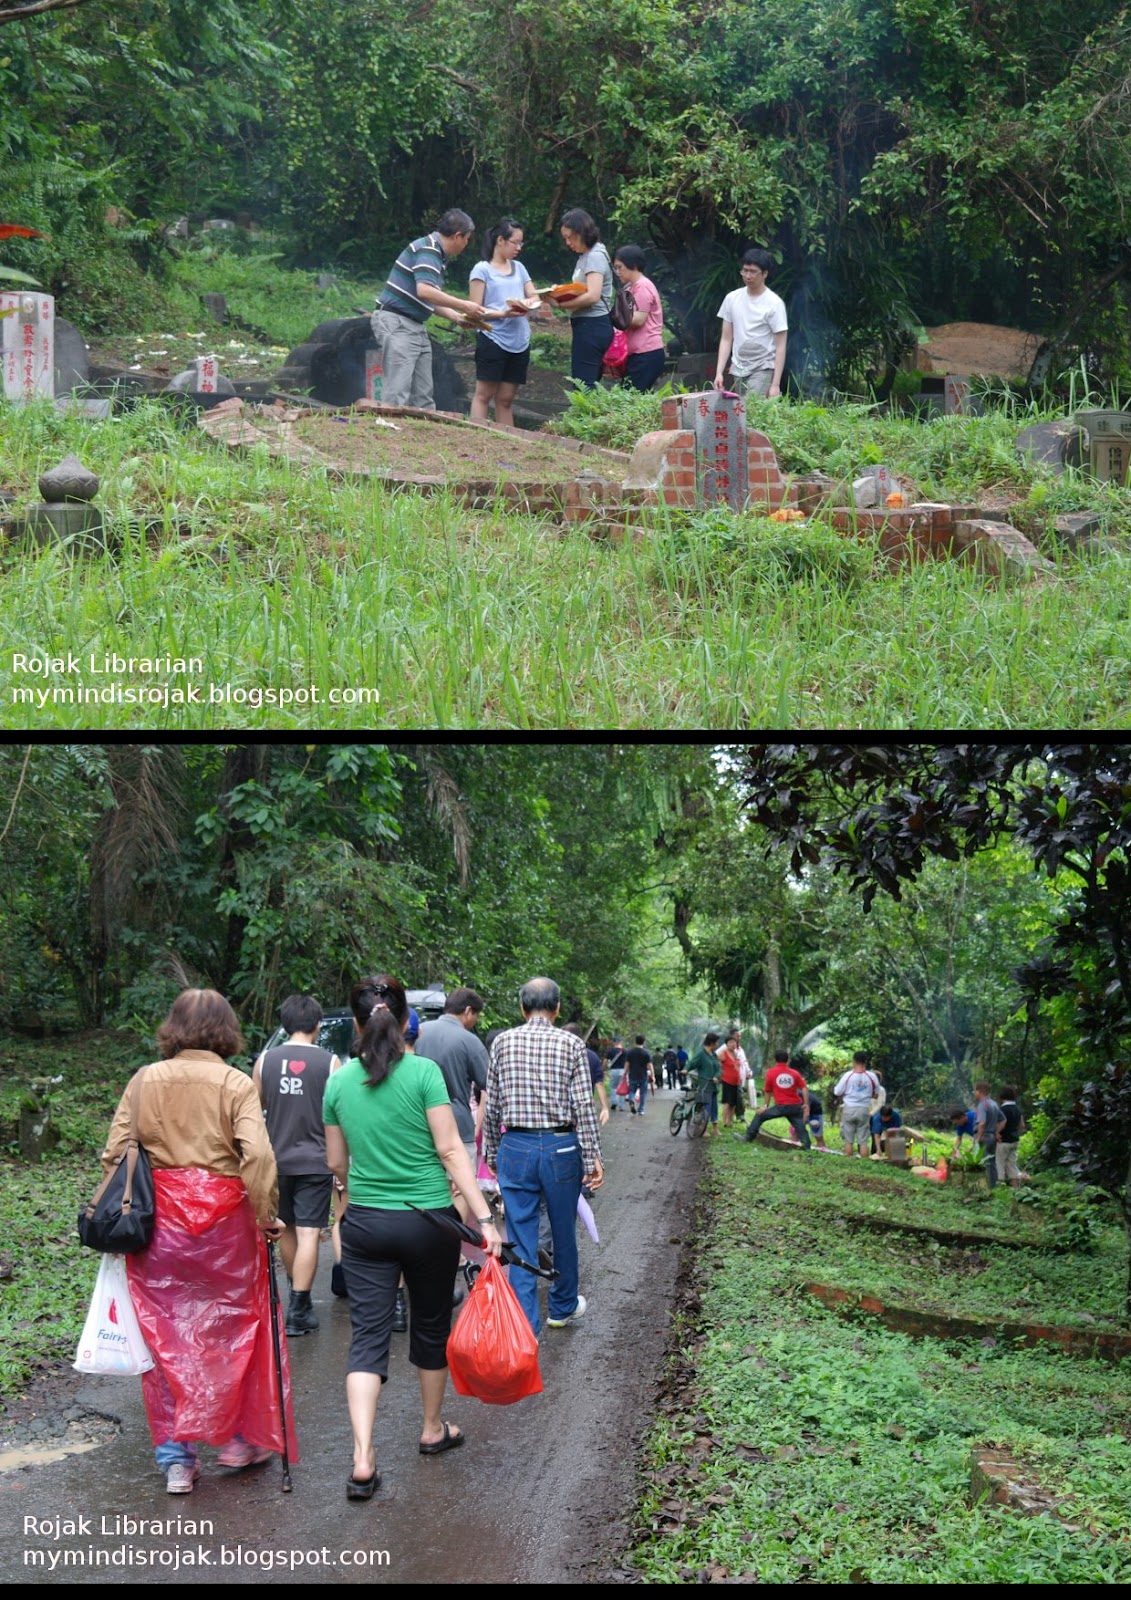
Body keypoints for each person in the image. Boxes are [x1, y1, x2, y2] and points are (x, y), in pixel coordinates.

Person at [97, 988, 289, 1495]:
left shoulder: (144, 1080)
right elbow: (257, 1156)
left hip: (159, 1228)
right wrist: (266, 1214)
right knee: (235, 1329)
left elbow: (115, 1153)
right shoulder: (235, 1083)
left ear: (173, 1028)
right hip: (227, 1230)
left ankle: (177, 1461)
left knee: (164, 1337)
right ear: (226, 1030)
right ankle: (239, 1441)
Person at [323, 974, 502, 1499]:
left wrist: (352, 1188)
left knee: (368, 1336)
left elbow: (336, 1163)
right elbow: (450, 1151)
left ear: (356, 1025)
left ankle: (362, 1457)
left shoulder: (339, 1082)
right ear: (405, 1021)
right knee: (429, 1325)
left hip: (366, 1225)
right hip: (428, 1223)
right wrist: (483, 1219)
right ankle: (430, 1429)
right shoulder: (424, 1073)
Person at [483, 977, 604, 1335]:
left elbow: (492, 1105)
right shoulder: (572, 1044)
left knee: (521, 1236)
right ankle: (562, 1307)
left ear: (522, 1008)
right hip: (561, 1147)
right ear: (557, 1008)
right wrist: (593, 1156)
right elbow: (583, 1105)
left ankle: (525, 1325)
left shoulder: (502, 1042)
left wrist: (492, 1153)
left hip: (515, 1146)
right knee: (563, 1230)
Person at [254, 993, 342, 1337]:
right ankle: (299, 1308)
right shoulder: (331, 1063)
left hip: (276, 1160)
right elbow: (340, 1116)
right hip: (316, 1161)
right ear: (318, 1025)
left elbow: (254, 1110)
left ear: (285, 1023)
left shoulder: (265, 1060)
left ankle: (296, 1299)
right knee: (309, 1233)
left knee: (287, 1228)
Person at [371, 208, 501, 409]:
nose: (467, 244)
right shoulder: (429, 249)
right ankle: (389, 428)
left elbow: (428, 298)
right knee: (397, 392)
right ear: (457, 236)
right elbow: (425, 291)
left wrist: (457, 317)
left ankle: (420, 428)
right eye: (467, 239)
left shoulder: (435, 253)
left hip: (413, 325)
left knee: (423, 394)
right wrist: (465, 304)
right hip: (398, 322)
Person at [468, 218, 547, 428]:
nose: (519, 248)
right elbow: (474, 310)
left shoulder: (519, 268)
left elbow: (533, 295)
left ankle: (507, 441)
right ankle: (476, 436)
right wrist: (503, 313)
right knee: (484, 395)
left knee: (505, 399)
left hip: (519, 341)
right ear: (500, 240)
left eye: (521, 243)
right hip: (493, 338)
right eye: (515, 242)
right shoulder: (482, 269)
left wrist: (530, 302)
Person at [415, 988, 490, 1204]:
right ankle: (455, 1226)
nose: (475, 1021)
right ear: (467, 1011)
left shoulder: (418, 1032)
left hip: (418, 1123)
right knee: (461, 1189)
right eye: (476, 1015)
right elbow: (489, 1084)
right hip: (457, 1125)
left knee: (425, 1188)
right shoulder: (469, 1041)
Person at [713, 247, 788, 400]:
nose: (748, 276)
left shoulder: (774, 304)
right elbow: (726, 338)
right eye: (745, 270)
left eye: (753, 272)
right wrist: (719, 372)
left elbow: (780, 346)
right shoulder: (731, 298)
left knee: (751, 408)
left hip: (763, 367)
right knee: (741, 409)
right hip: (738, 368)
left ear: (764, 274)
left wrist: (775, 384)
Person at [557, 208, 615, 388]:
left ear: (581, 232)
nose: (568, 243)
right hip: (590, 325)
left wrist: (562, 304)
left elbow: (592, 295)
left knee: (583, 386)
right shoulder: (588, 255)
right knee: (587, 383)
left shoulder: (594, 256)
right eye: (565, 238)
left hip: (592, 325)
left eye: (570, 237)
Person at [611, 245, 665, 392]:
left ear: (633, 265)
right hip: (640, 354)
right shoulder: (632, 287)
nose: (617, 272)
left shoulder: (642, 286)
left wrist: (611, 319)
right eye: (615, 268)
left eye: (620, 267)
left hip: (646, 353)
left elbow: (638, 319)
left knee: (629, 397)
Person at [738, 1050, 811, 1148]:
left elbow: (767, 1090)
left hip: (781, 1107)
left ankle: (748, 1138)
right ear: (787, 1060)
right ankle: (806, 1146)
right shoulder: (795, 1073)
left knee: (760, 1115)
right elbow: (804, 1088)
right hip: (795, 1106)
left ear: (775, 1060)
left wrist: (765, 1106)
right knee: (800, 1127)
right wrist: (806, 1104)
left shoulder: (771, 1072)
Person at [834, 1052, 880, 1158]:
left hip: (849, 1108)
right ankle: (864, 1162)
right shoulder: (872, 1076)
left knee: (848, 1139)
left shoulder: (848, 1075)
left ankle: (848, 1161)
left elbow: (837, 1092)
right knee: (863, 1140)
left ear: (854, 1061)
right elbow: (876, 1094)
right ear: (865, 1062)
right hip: (864, 1108)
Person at [565, 1022, 610, 1126]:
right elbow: (599, 1083)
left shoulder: (558, 1054)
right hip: (584, 1104)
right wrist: (605, 1108)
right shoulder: (592, 1056)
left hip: (561, 1104)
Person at [686, 1032, 722, 1134]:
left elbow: (718, 1068)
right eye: (716, 1042)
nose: (718, 1044)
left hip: (714, 1086)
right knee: (706, 1108)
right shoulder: (701, 1054)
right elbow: (692, 1063)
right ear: (711, 1043)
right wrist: (685, 1069)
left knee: (714, 1107)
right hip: (705, 1086)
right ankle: (702, 1129)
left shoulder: (714, 1055)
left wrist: (716, 1076)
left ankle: (715, 1129)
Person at [973, 1080, 1003, 1190]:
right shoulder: (993, 1104)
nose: (974, 1093)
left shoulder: (983, 1105)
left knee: (984, 1163)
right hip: (992, 1137)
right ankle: (993, 1187)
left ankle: (985, 1188)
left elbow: (982, 1123)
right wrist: (996, 1132)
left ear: (980, 1091)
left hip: (984, 1137)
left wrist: (978, 1139)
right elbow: (1003, 1120)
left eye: (975, 1091)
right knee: (992, 1163)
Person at [995, 1086, 1026, 1189]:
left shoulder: (1002, 1109)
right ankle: (1016, 1188)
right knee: (1012, 1164)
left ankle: (1001, 1188)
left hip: (1003, 1140)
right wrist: (1016, 1133)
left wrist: (996, 1133)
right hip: (1015, 1140)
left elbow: (1002, 1123)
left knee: (1000, 1164)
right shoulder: (1017, 1109)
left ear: (1001, 1096)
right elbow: (1022, 1126)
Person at [717, 1030, 744, 1129]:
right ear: (726, 1044)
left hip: (736, 1082)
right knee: (727, 1102)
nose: (733, 1044)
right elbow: (716, 1061)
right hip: (727, 1081)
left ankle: (730, 1121)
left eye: (734, 1043)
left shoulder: (736, 1054)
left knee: (733, 1103)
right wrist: (719, 1073)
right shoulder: (724, 1053)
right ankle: (724, 1121)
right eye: (730, 1043)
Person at [623, 1034, 653, 1116]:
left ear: (635, 1041)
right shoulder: (646, 1053)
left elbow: (627, 1063)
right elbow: (650, 1065)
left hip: (632, 1075)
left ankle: (632, 1100)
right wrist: (652, 1075)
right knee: (643, 1093)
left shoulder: (630, 1052)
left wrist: (624, 1072)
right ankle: (641, 1110)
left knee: (632, 1091)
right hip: (643, 1075)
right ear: (644, 1042)